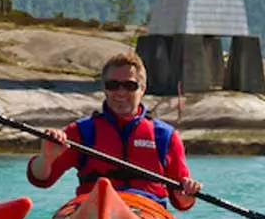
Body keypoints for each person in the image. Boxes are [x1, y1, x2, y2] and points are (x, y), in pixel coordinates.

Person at [27, 51, 203, 208]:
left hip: (146, 208)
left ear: (142, 88)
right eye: (113, 85)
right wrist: (46, 158)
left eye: (129, 86)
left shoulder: (165, 136)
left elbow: (181, 202)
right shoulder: (80, 131)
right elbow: (41, 179)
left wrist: (187, 193)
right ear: (104, 88)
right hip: (92, 206)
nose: (120, 92)